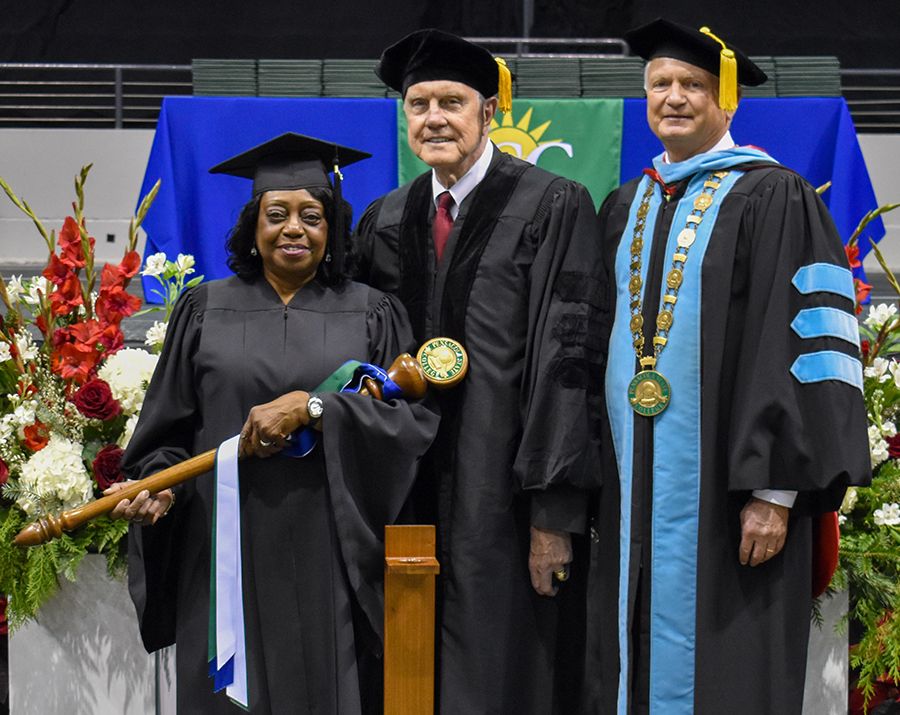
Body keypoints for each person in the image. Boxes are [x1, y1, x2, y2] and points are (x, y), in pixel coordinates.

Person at [586, 18, 871, 714]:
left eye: (692, 84)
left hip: (734, 500)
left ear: (728, 99)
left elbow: (804, 344)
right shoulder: (629, 202)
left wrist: (776, 493)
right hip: (636, 498)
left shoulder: (775, 195)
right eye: (659, 83)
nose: (673, 97)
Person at [108, 132, 438, 714]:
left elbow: (407, 424)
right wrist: (158, 487)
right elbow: (166, 433)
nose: (293, 229)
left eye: (312, 216)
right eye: (276, 214)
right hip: (221, 548)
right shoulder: (204, 309)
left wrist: (319, 407)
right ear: (252, 228)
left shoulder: (371, 311)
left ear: (331, 228)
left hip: (329, 545)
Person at [354, 29, 605, 714]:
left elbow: (568, 363)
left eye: (452, 102)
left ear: (488, 113)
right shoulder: (385, 218)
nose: (433, 118)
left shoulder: (553, 205)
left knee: (502, 669)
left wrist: (553, 515)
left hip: (505, 499)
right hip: (403, 496)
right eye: (418, 104)